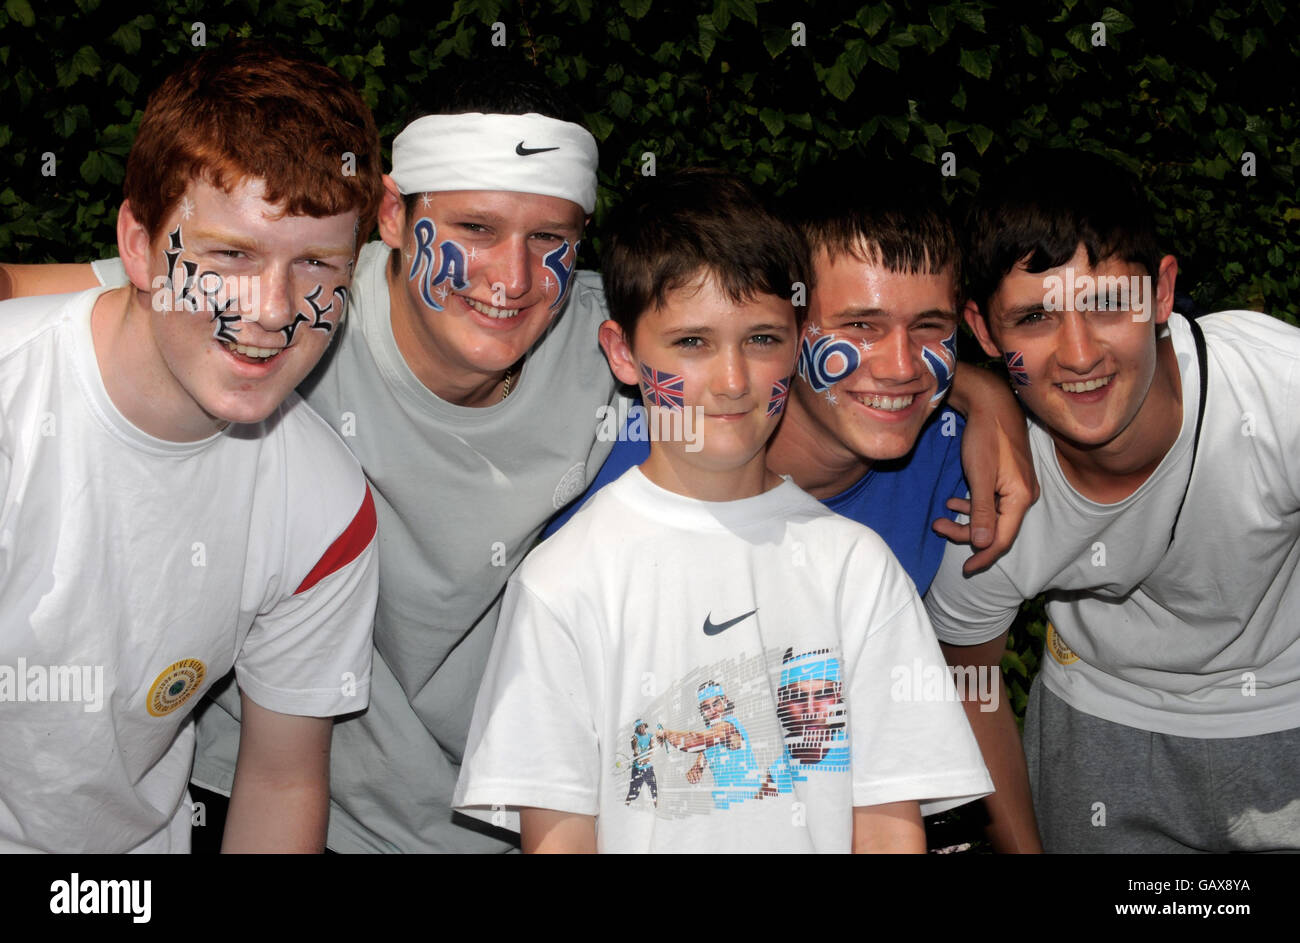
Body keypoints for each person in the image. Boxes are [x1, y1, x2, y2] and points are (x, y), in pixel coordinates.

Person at [2, 74, 1031, 854]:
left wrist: (973, 393)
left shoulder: (615, 344)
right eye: (475, 230)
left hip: (533, 815)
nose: (507, 280)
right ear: (394, 221)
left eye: (551, 239)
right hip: (296, 804)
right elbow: (112, 290)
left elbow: (769, 324)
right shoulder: (303, 289)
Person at [453, 169, 992, 853]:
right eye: (692, 343)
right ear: (622, 353)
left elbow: (889, 826)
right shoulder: (561, 579)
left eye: (763, 339)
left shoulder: (859, 569)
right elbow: (557, 836)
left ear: (799, 344)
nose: (733, 380)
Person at [0, 43, 383, 853]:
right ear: (137, 247)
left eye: (317, 264)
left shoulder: (326, 505)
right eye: (230, 254)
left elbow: (281, 782)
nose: (274, 309)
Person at [928, 149, 1300, 853]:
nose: (1077, 353)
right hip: (1098, 728)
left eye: (1105, 303)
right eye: (1035, 317)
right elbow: (972, 684)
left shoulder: (1276, 392)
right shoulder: (980, 493)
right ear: (982, 331)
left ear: (1162, 293)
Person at [547, 161, 1037, 596]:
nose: (902, 368)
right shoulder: (605, 460)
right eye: (860, 326)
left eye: (930, 326)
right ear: (790, 326)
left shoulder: (965, 466)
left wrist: (990, 396)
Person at [624, 720, 658, 807]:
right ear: (637, 729)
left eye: (642, 726)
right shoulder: (635, 737)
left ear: (644, 726)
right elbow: (635, 751)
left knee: (654, 791)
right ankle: (625, 806)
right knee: (633, 793)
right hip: (637, 769)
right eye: (639, 727)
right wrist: (637, 754)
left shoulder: (650, 736)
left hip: (648, 768)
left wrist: (645, 760)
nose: (641, 728)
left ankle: (656, 807)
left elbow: (651, 751)